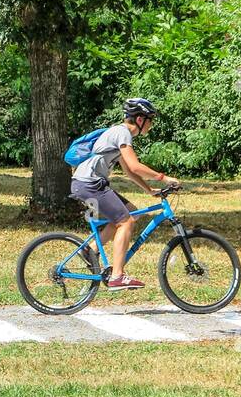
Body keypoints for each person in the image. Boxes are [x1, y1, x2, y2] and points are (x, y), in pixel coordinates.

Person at [70, 98, 179, 288]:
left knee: (131, 211)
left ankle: (90, 250)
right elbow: (136, 166)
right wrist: (163, 178)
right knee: (125, 221)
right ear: (139, 119)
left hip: (89, 183)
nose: (151, 125)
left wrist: (149, 190)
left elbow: (129, 170)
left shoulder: (118, 133)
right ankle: (117, 276)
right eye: (150, 119)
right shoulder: (122, 133)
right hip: (90, 184)